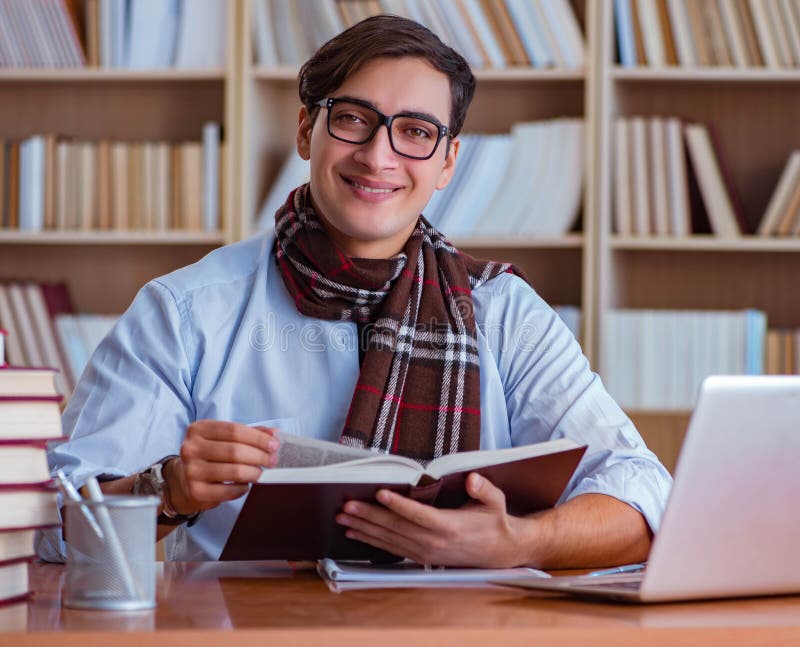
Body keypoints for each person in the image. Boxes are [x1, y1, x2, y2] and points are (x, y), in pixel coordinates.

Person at [40, 15, 671, 568]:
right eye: (353, 120)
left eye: (416, 132)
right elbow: (47, 530)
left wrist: (523, 542)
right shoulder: (183, 312)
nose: (379, 156)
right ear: (306, 131)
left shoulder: (503, 313)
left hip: (464, 627)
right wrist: (166, 490)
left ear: (448, 162)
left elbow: (644, 493)